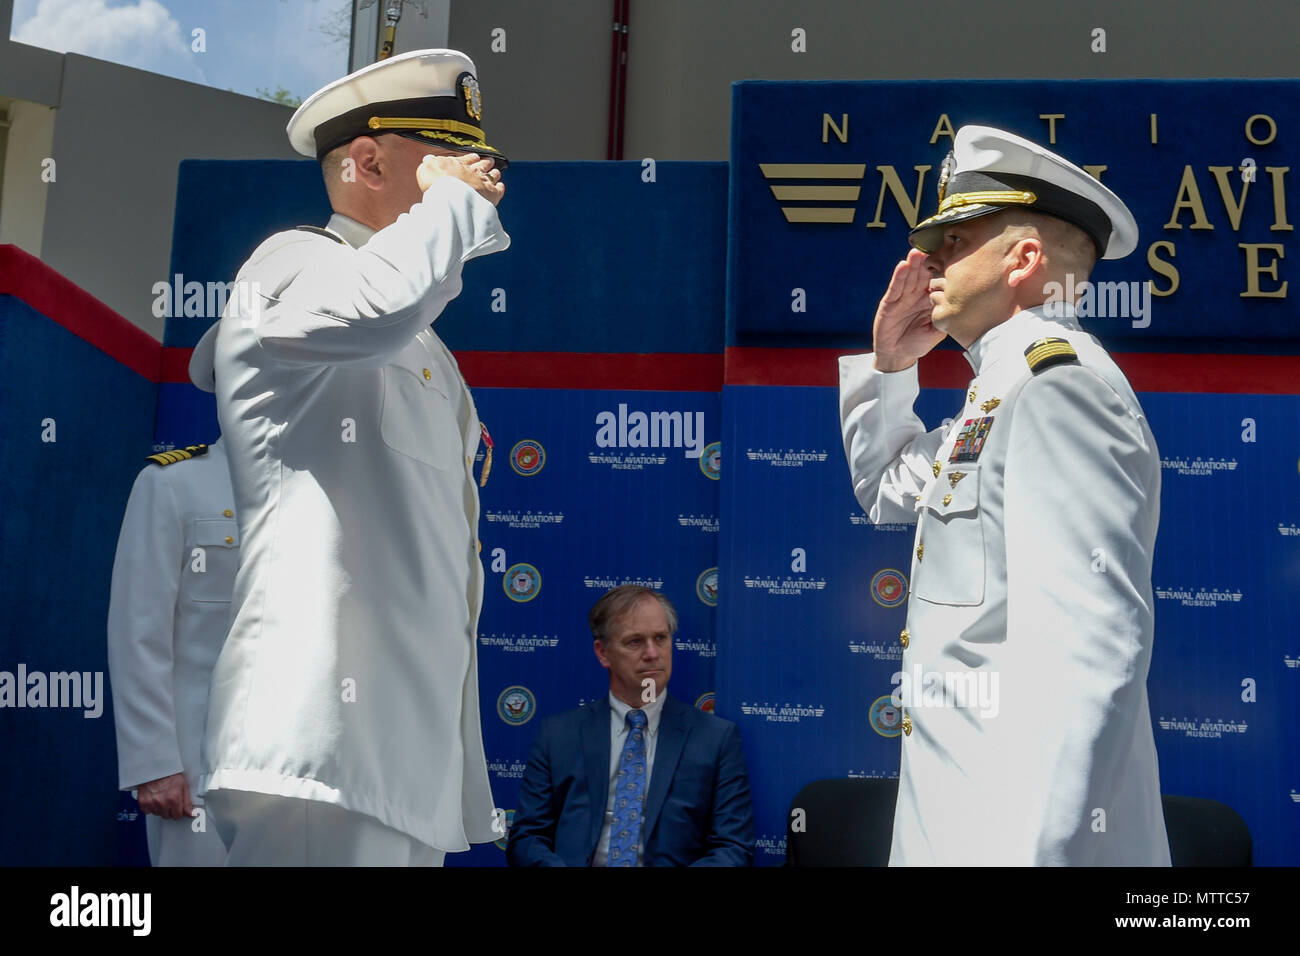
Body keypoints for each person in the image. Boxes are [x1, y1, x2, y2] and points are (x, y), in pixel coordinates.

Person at [191, 49, 510, 866]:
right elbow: (375, 306)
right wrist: (449, 212)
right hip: (319, 750)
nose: (477, 173)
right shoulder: (288, 263)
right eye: (449, 157)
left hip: (402, 758)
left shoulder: (428, 342)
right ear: (366, 160)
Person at [838, 125, 1170, 866]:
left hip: (1011, 837)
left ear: (1024, 259)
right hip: (959, 825)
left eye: (956, 239)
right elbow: (885, 488)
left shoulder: (1060, 386)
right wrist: (891, 368)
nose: (929, 260)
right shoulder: (1000, 392)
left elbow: (1090, 654)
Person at [507, 586, 755, 866]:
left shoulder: (716, 739)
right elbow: (526, 838)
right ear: (603, 653)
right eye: (635, 642)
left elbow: (734, 848)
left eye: (660, 638)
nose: (652, 653)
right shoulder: (558, 736)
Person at [106, 413, 236, 866]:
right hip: (198, 764)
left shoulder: (317, 494)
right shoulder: (174, 483)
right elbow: (140, 631)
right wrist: (155, 765)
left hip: (298, 775)